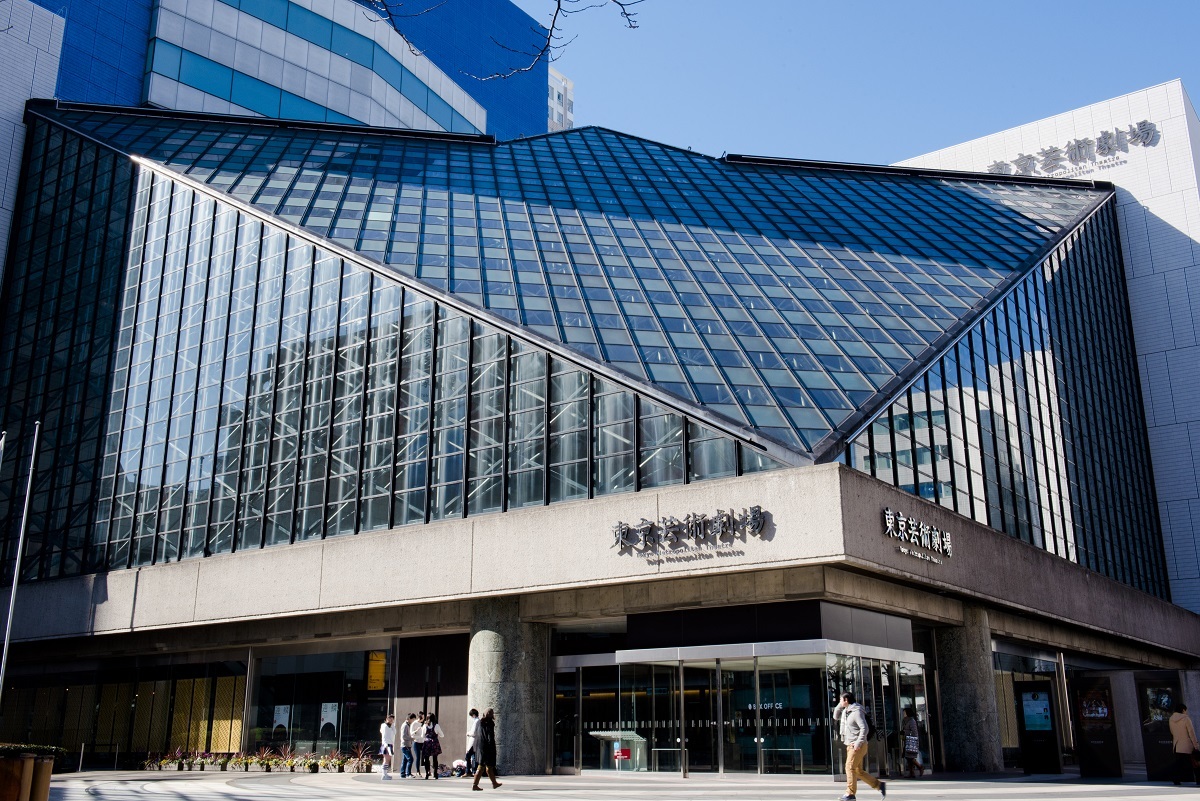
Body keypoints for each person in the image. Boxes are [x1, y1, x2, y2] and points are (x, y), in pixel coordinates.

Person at [834, 692, 885, 801]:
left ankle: (850, 794)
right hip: (850, 745)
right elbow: (835, 715)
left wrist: (858, 742)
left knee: (849, 767)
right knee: (858, 771)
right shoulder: (846, 712)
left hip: (857, 746)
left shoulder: (857, 712)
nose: (840, 702)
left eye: (841, 700)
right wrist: (840, 703)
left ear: (846, 700)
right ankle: (879, 786)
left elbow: (864, 728)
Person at [471, 708, 502, 791]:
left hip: (480, 746)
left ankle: (494, 783)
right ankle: (475, 785)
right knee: (481, 766)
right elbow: (490, 737)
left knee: (489, 766)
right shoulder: (490, 723)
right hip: (487, 747)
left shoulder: (481, 722)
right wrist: (492, 747)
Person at [1170, 702, 1200, 786]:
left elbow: (1172, 732)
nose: (1186, 712)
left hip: (1177, 745)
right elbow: (1191, 733)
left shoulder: (1171, 719)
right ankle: (1198, 780)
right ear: (1183, 710)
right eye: (1185, 710)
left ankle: (1176, 779)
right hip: (1187, 745)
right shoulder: (1186, 718)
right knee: (1195, 763)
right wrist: (1196, 746)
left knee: (1179, 764)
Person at [422, 712, 445, 779]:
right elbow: (442, 735)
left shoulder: (425, 726)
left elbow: (422, 735)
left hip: (427, 742)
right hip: (434, 742)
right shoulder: (436, 725)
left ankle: (427, 773)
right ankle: (435, 774)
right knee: (435, 758)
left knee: (426, 758)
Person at [901, 707, 923, 778]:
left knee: (910, 757)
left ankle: (919, 767)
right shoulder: (904, 720)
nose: (903, 714)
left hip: (911, 741)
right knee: (908, 757)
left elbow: (914, 731)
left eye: (904, 712)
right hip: (907, 741)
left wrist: (905, 732)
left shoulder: (911, 721)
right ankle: (912, 772)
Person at [379, 713, 396, 780]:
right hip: (386, 744)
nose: (391, 719)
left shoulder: (392, 726)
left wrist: (392, 725)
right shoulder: (384, 726)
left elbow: (394, 732)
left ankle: (385, 773)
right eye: (390, 718)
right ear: (387, 719)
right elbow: (384, 736)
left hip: (390, 744)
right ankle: (384, 774)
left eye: (392, 718)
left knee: (387, 760)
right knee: (386, 759)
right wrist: (386, 745)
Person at [410, 711, 427, 779]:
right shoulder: (414, 723)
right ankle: (418, 771)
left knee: (426, 756)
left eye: (423, 717)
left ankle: (427, 771)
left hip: (423, 742)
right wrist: (416, 731)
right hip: (416, 742)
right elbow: (411, 734)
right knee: (418, 757)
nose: (422, 719)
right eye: (421, 717)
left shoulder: (424, 723)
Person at [399, 712, 417, 778]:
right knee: (410, 759)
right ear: (409, 719)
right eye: (413, 720)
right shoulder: (405, 725)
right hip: (405, 745)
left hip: (408, 745)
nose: (413, 721)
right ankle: (408, 773)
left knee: (405, 760)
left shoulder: (408, 725)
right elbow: (404, 736)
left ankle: (402, 773)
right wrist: (411, 738)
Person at [465, 708, 481, 775]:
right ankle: (474, 771)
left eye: (471, 715)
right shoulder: (479, 721)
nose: (471, 717)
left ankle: (468, 771)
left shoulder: (476, 721)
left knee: (468, 756)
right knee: (474, 756)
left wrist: (468, 733)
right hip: (476, 741)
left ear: (474, 715)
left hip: (473, 741)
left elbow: (473, 732)